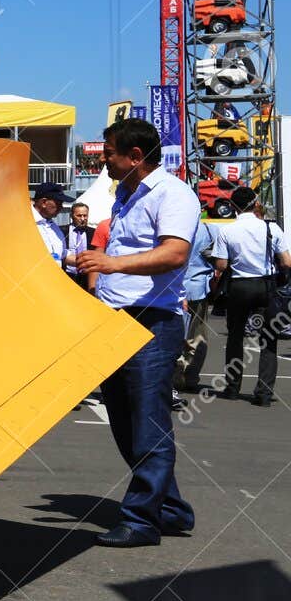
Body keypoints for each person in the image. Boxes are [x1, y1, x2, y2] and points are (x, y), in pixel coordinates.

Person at [74, 118, 198, 548]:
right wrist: (97, 264)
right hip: (117, 319)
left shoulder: (174, 194)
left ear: (135, 157)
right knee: (126, 425)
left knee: (148, 425)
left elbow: (175, 253)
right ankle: (172, 510)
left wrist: (112, 264)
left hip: (152, 322)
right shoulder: (125, 194)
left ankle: (142, 520)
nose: (102, 158)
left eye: (108, 152)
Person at [211, 188, 290, 406]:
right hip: (266, 285)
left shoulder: (228, 231)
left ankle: (233, 387)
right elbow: (286, 262)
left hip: (239, 285)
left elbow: (221, 265)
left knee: (235, 336)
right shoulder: (271, 227)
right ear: (255, 203)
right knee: (269, 340)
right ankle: (263, 394)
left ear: (234, 206)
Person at [173, 214, 217, 396]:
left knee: (174, 334)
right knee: (197, 336)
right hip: (199, 286)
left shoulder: (173, 228)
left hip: (172, 287)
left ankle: (175, 376)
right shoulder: (210, 229)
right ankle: (190, 376)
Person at [31, 182, 71, 261]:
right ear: (44, 203)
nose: (61, 207)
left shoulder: (54, 227)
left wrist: (85, 261)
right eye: (58, 203)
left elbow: (62, 254)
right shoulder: (24, 222)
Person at [63, 202, 96, 290]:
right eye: (79, 215)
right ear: (72, 216)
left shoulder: (94, 233)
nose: (82, 218)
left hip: (86, 278)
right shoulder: (62, 231)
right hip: (67, 276)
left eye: (85, 216)